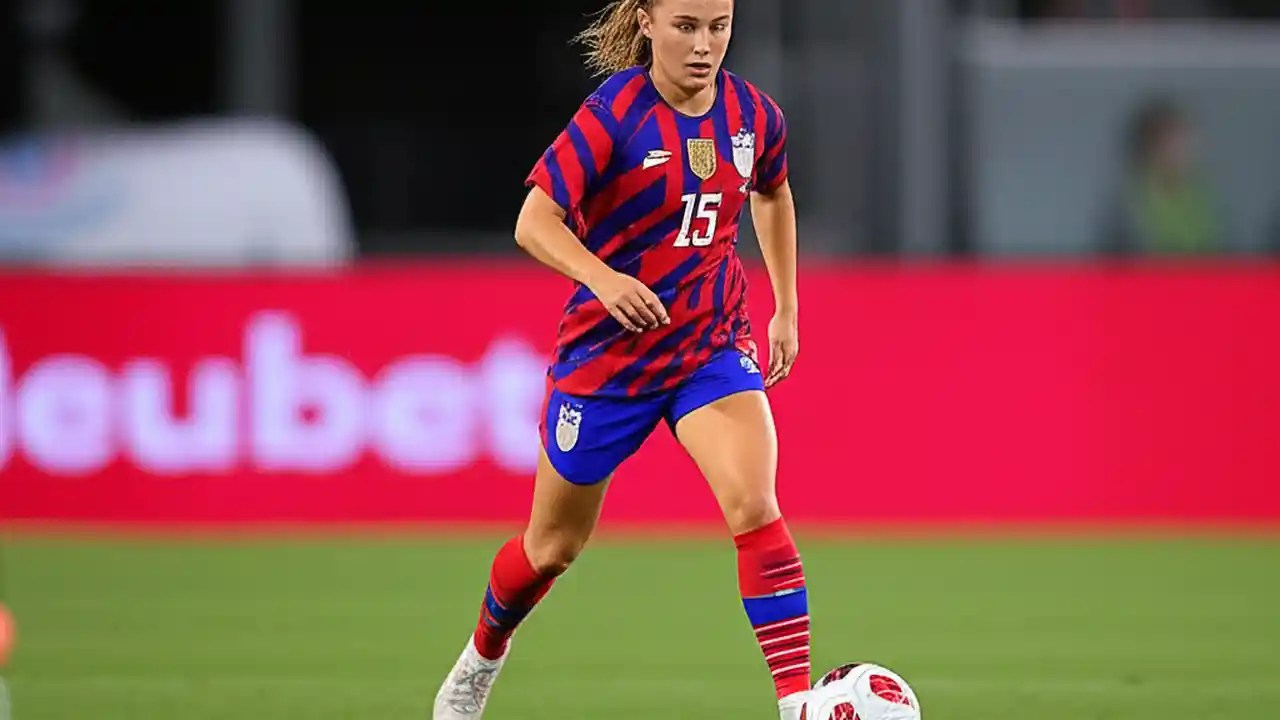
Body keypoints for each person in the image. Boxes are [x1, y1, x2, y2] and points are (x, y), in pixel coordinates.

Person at [433, 1, 809, 718]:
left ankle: (797, 704)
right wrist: (603, 279)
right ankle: (483, 655)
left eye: (719, 26)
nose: (704, 46)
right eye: (685, 26)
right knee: (550, 549)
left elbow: (773, 191)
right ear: (645, 22)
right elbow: (533, 222)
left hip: (709, 346)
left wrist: (785, 306)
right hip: (608, 362)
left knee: (755, 506)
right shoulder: (614, 116)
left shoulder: (755, 116)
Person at [1103, 97, 1225, 256]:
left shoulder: (1206, 199)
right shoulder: (1128, 206)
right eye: (1173, 142)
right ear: (1150, 147)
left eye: (1186, 141)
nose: (1184, 151)